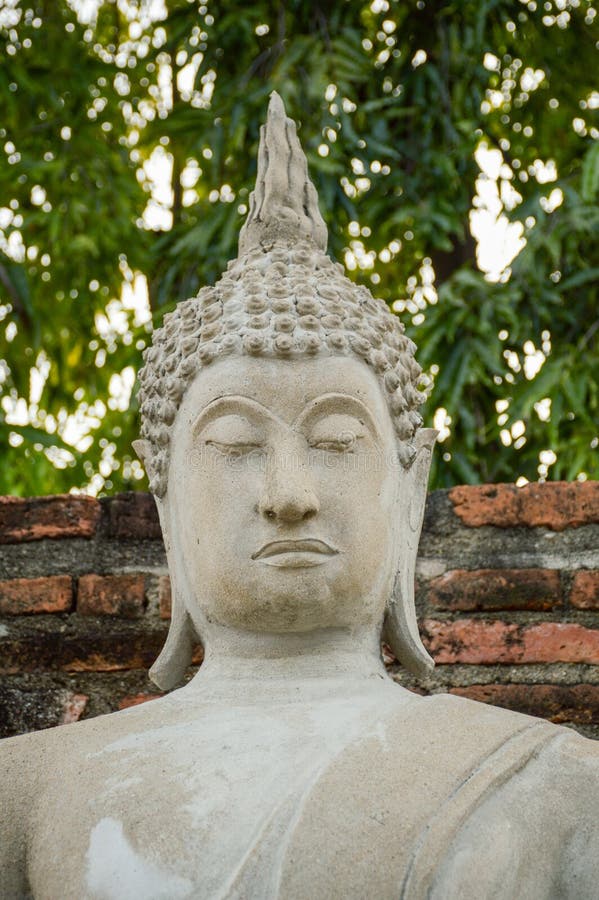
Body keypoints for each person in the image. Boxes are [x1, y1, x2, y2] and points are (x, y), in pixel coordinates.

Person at [1, 94, 597, 900]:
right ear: (165, 491)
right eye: (237, 446)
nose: (289, 496)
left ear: (408, 481)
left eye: (337, 442)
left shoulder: (560, 790)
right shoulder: (29, 792)